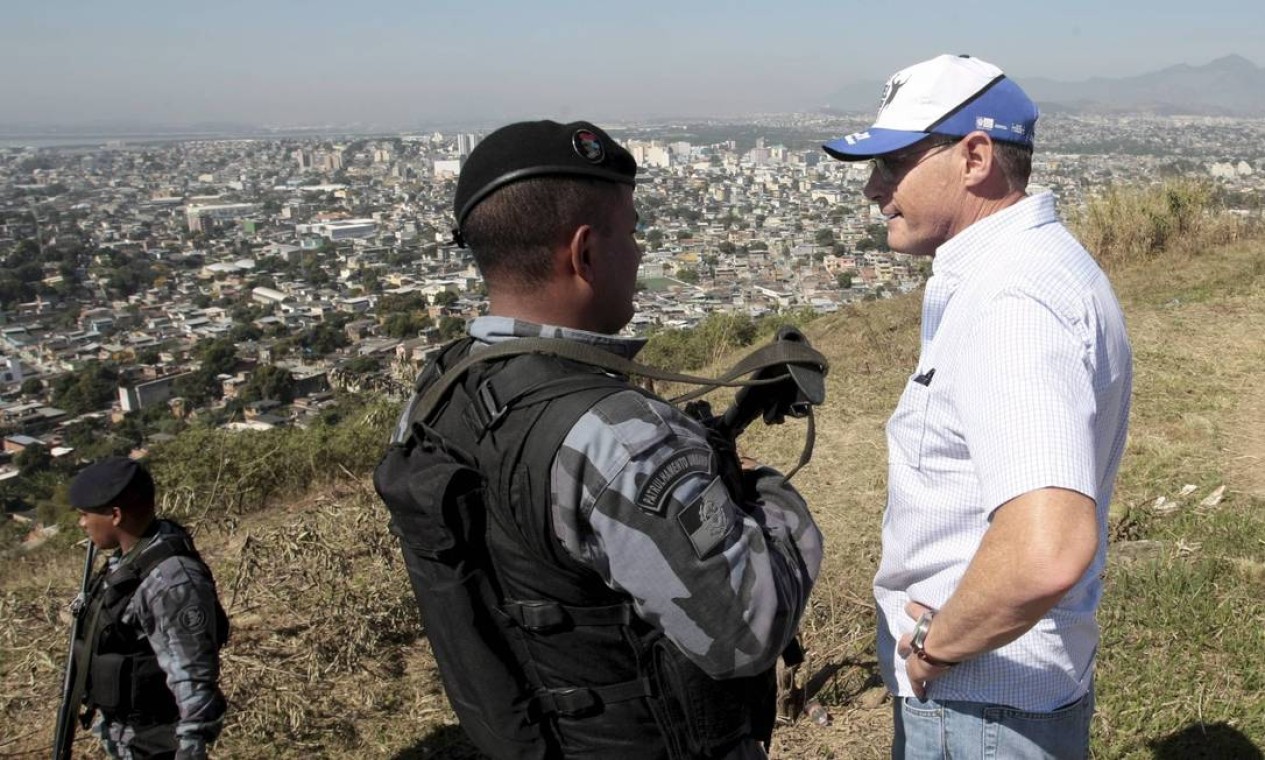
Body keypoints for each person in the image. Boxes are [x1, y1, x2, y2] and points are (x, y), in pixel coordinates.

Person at [388, 120, 823, 759]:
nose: (641, 252)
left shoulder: (438, 392)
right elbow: (746, 632)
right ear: (585, 253)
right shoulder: (619, 439)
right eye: (634, 232)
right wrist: (764, 492)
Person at [822, 55, 1132, 759]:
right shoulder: (1030, 268)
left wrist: (935, 649)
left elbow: (1044, 549)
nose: (873, 189)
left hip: (982, 704)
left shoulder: (1011, 302)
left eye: (893, 163)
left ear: (974, 157)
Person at [68, 456, 227, 760]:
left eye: (86, 515)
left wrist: (190, 748)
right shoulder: (127, 561)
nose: (82, 523)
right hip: (129, 736)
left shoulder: (171, 581)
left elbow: (192, 674)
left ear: (115, 515)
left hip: (157, 742)